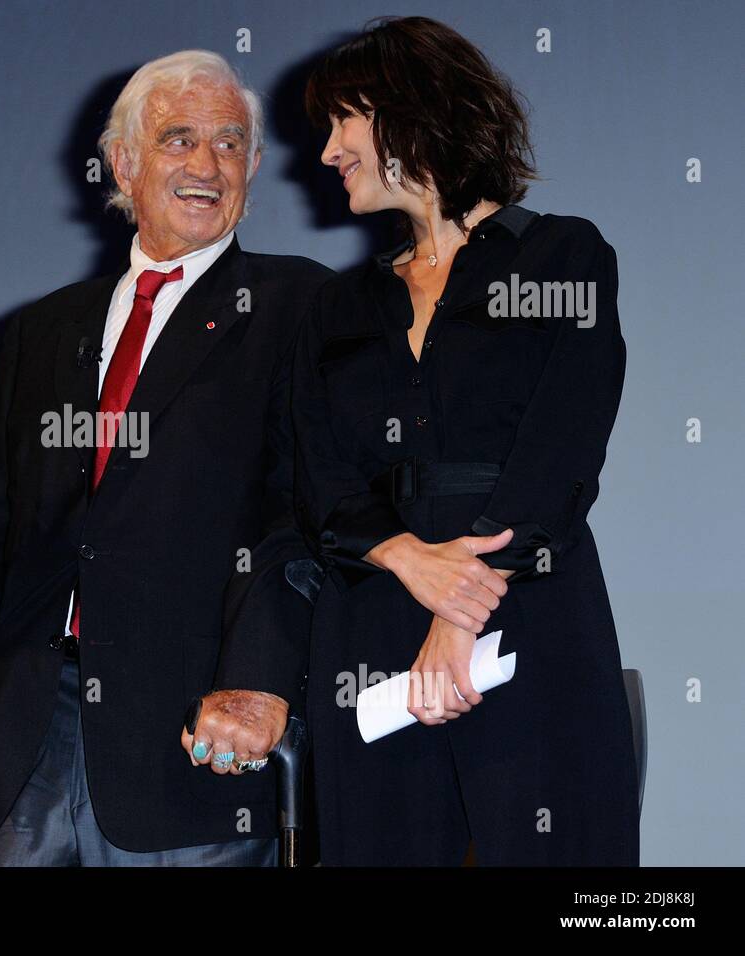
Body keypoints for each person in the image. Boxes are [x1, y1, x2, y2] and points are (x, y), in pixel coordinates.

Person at [0, 50, 333, 865]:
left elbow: (300, 516)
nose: (207, 165)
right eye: (178, 139)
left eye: (230, 145)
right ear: (123, 162)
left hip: (196, 743)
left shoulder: (301, 306)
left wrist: (259, 680)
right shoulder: (39, 332)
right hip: (28, 747)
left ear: (254, 169)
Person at [275, 16, 639, 865]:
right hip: (369, 630)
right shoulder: (335, 308)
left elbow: (562, 448)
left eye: (342, 122)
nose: (327, 152)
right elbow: (319, 479)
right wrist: (405, 557)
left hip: (528, 611)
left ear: (411, 106)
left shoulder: (561, 254)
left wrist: (459, 608)